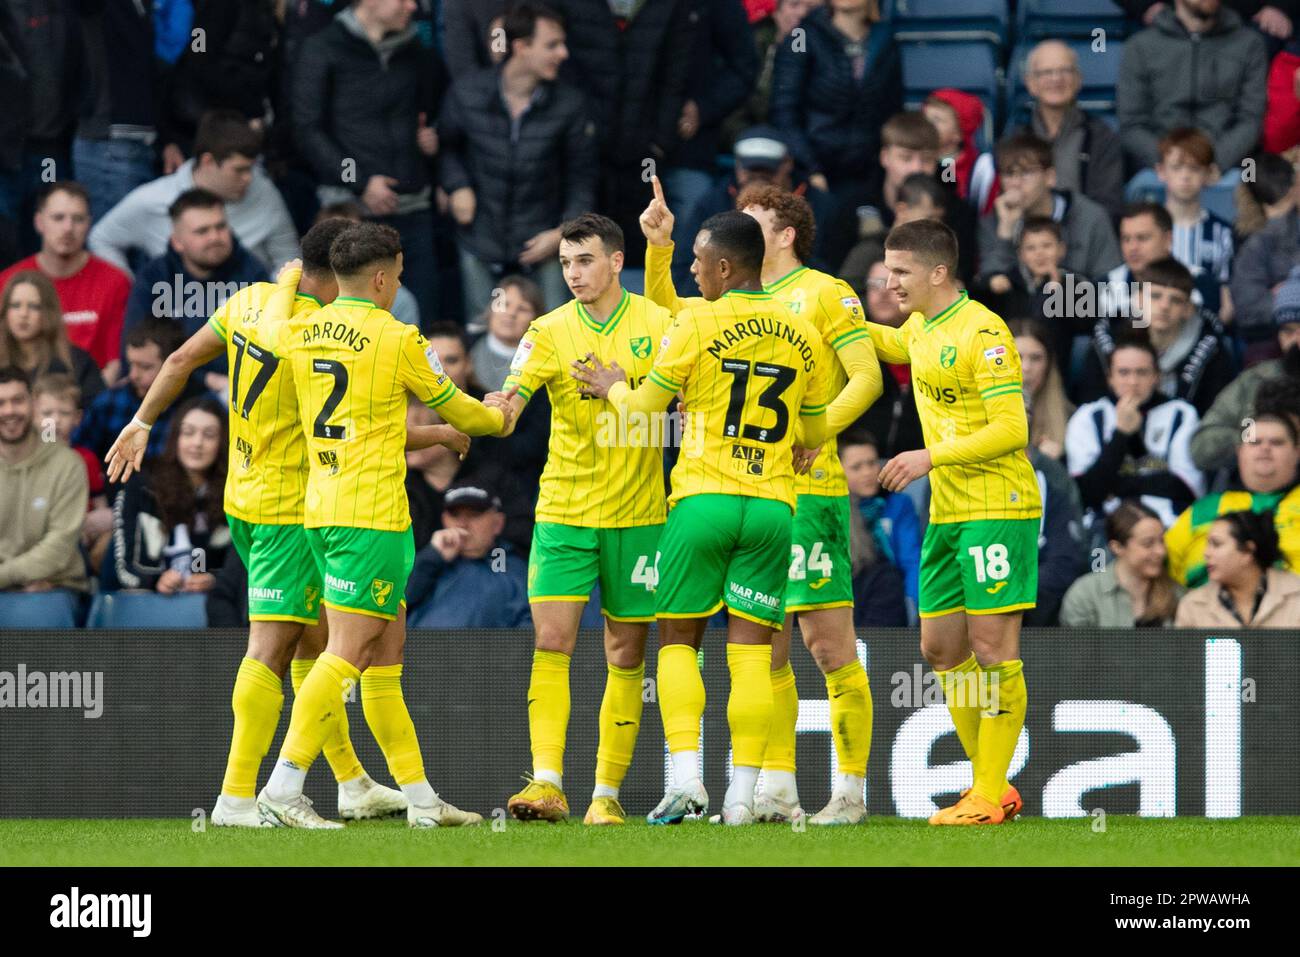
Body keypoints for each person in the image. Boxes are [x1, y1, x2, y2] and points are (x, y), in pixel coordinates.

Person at [106, 219, 455, 825]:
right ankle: (241, 797)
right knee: (273, 647)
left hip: (244, 496)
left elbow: (184, 357)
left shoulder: (248, 304)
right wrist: (445, 432)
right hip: (291, 509)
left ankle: (351, 782)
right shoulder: (314, 335)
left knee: (311, 641)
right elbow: (365, 431)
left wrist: (141, 420)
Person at [571, 207, 829, 826]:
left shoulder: (697, 323)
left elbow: (641, 409)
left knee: (679, 639)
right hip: (772, 509)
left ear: (722, 266)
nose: (690, 269)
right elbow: (816, 430)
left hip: (702, 501)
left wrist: (611, 384)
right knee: (752, 653)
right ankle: (743, 797)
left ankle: (687, 780)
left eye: (696, 261)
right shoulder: (804, 332)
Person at [640, 181, 881, 824]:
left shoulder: (827, 295)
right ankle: (774, 788)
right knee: (763, 652)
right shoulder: (735, 303)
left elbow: (869, 375)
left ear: (784, 234)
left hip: (811, 490)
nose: (740, 224)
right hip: (766, 496)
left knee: (829, 648)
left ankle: (852, 790)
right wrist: (659, 248)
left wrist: (818, 432)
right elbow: (672, 311)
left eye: (753, 219)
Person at [257, 223, 509, 829]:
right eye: (397, 274)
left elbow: (268, 331)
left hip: (324, 510)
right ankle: (282, 787)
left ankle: (422, 801)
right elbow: (461, 406)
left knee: (386, 661)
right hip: (370, 517)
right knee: (344, 656)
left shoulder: (298, 330)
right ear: (379, 276)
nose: (399, 284)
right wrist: (494, 418)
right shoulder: (398, 338)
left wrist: (290, 279)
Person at [481, 213, 672, 826]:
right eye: (564, 263)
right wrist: (497, 409)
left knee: (625, 652)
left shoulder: (659, 323)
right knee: (552, 641)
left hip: (640, 515)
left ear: (617, 262)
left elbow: (686, 411)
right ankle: (546, 782)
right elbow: (513, 400)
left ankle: (606, 795)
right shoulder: (547, 329)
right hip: (563, 509)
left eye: (584, 261)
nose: (573, 274)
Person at [862, 219, 1041, 826]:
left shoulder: (983, 330)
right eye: (887, 271)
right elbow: (891, 343)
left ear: (939, 273)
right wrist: (821, 316)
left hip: (997, 507)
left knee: (993, 648)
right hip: (949, 510)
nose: (890, 282)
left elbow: (1014, 429)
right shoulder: (924, 326)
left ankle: (989, 793)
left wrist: (927, 456)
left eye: (902, 271)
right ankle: (992, 785)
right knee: (940, 648)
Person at [438, 2, 596, 320]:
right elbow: (446, 148)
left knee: (554, 336)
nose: (563, 53)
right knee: (483, 332)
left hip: (545, 244)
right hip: (479, 240)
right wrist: (457, 186)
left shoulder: (570, 104)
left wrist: (563, 233)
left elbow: (582, 178)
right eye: (552, 45)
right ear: (521, 47)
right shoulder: (468, 93)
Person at [293, 0, 446, 320]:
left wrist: (433, 137)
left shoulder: (417, 51)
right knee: (355, 321)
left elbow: (433, 114)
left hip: (413, 208)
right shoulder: (323, 47)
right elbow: (307, 128)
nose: (413, 6)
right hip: (351, 213)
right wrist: (360, 183)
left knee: (423, 320)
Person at [89, 109, 299, 275]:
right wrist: (128, 288)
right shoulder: (153, 199)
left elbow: (289, 260)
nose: (249, 178)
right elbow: (101, 239)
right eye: (239, 170)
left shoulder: (264, 191)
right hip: (179, 318)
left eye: (251, 168)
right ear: (208, 161)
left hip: (250, 319)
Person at [120, 189, 269, 394]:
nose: (215, 237)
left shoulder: (253, 274)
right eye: (202, 231)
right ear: (177, 242)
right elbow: (136, 347)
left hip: (240, 390)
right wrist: (204, 379)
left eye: (221, 227)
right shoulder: (154, 278)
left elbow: (267, 347)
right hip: (171, 392)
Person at [769, 0, 901, 221]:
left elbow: (893, 110)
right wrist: (812, 170)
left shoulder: (885, 39)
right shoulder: (802, 35)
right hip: (815, 170)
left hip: (868, 174)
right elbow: (784, 111)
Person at [1067, 335, 1204, 531]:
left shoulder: (1181, 414)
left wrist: (1114, 485)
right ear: (1110, 379)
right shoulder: (1088, 417)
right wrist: (1121, 434)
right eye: (1124, 373)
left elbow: (1185, 488)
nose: (1133, 381)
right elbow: (1086, 493)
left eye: (1142, 373)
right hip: (1106, 528)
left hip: (1170, 525)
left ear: (1156, 377)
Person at [0, 182, 132, 384]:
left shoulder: (116, 282)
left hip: (88, 395)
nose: (68, 228)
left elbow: (115, 364)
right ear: (39, 222)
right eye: (58, 218)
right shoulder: (9, 281)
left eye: (77, 219)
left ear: (89, 224)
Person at [1118, 0, 1268, 173]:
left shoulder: (1249, 44)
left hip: (1225, 167)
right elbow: (1132, 123)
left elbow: (1251, 120)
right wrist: (1172, 164)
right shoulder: (1140, 47)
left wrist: (1214, 163)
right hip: (1160, 168)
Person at [101, 395, 231, 594]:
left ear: (221, 443)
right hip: (144, 607)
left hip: (208, 607)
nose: (197, 443)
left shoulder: (234, 491)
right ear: (175, 437)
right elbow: (120, 568)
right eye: (188, 433)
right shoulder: (142, 485)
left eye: (209, 435)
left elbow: (243, 568)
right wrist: (155, 581)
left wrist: (215, 580)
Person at [1078, 258, 1236, 414]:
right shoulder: (1108, 340)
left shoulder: (1211, 350)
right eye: (1155, 296)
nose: (1164, 306)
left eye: (1175, 300)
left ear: (1188, 309)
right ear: (1138, 300)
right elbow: (1090, 407)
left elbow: (1213, 416)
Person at [1166, 412, 1300, 586]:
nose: (1265, 448)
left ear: (1297, 452)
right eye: (1255, 441)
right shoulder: (1205, 509)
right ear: (1240, 451)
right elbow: (1160, 569)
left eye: (1276, 442)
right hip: (1204, 608)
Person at [977, 133, 1121, 289]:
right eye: (1009, 174)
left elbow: (1111, 283)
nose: (1016, 183)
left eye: (1026, 173)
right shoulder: (995, 221)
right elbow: (990, 291)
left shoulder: (1090, 217)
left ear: (1050, 177)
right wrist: (1005, 234)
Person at [1191, 272, 1300, 472]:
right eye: (1288, 331)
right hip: (1253, 492)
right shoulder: (1255, 380)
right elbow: (1202, 445)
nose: (1296, 340)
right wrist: (1257, 436)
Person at [1006, 40, 1125, 220]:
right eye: (1046, 72)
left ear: (1078, 80)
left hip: (1084, 239)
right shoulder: (1016, 137)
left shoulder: (1102, 136)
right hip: (1029, 240)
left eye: (1065, 71)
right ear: (1030, 84)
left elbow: (1109, 205)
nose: (1056, 78)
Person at [0, 366, 89, 596]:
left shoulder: (67, 464)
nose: (9, 410)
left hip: (54, 587)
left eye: (18, 400)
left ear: (33, 403)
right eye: (1, 403)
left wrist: (5, 576)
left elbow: (58, 548)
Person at [405, 484, 530, 627]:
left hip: (484, 647)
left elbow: (527, 623)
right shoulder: (432, 560)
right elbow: (395, 604)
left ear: (498, 523)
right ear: (444, 520)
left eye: (474, 515)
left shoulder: (505, 562)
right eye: (455, 515)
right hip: (419, 646)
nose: (463, 524)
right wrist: (432, 556)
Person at [73, 320, 186, 464]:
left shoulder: (194, 407)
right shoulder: (110, 402)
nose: (133, 375)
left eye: (145, 367)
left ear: (173, 366)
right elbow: (81, 451)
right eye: (131, 364)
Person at [32, 373, 112, 570]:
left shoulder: (86, 459)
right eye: (47, 413)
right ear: (33, 416)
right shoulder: (27, 460)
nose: (56, 421)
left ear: (77, 418)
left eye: (64, 413)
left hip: (83, 539)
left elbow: (100, 505)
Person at [1060, 501, 1183, 627]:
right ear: (1117, 547)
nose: (1161, 551)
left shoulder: (1177, 594)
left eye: (1162, 541)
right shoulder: (1085, 596)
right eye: (1148, 543)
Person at [840, 430, 921, 615]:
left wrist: (913, 607)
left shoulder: (899, 504)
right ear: (838, 471)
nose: (868, 472)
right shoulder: (833, 509)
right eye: (857, 467)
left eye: (872, 463)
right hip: (847, 593)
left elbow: (912, 560)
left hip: (891, 594)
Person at [1174, 510, 1300, 627]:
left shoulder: (1296, 596)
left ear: (1248, 551)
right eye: (1208, 544)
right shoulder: (1193, 605)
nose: (1206, 553)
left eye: (1216, 544)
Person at [1158, 128, 1235, 316]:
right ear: (1161, 171)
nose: (1185, 176)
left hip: (1207, 327)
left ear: (1209, 174)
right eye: (1176, 167)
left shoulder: (1223, 232)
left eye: (1194, 168)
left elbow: (1226, 299)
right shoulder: (1147, 229)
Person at [0, 271, 104, 405]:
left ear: (49, 312)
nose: (23, 314)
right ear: (5, 312)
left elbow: (98, 417)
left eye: (34, 306)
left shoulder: (77, 362)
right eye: (15, 305)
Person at [1009, 319, 1073, 461]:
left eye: (1036, 358)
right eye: (1016, 357)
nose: (1025, 367)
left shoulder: (1073, 419)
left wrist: (1057, 462)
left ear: (1048, 365)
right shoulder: (974, 412)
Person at [1100, 202, 1175, 322]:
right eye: (1126, 239)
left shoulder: (1199, 283)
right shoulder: (1104, 285)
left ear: (1167, 239)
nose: (1132, 247)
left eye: (1142, 238)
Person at [469, 275, 544, 391]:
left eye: (522, 309)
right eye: (504, 304)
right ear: (490, 308)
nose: (511, 313)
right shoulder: (464, 346)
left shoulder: (544, 363)